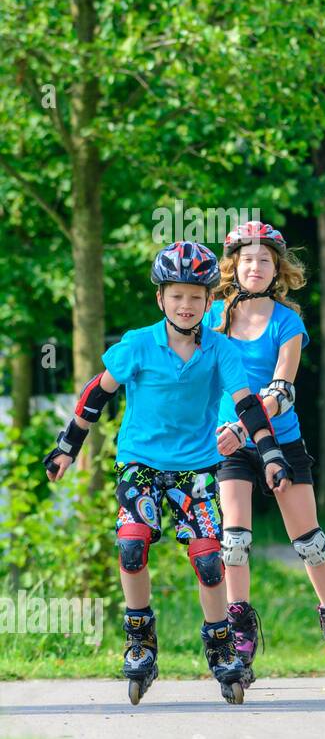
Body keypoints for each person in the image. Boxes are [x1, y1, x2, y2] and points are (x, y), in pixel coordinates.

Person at [44, 241, 291, 705]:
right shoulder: (138, 344)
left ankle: (220, 650)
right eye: (176, 295)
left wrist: (271, 454)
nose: (186, 305)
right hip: (140, 464)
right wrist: (67, 446)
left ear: (208, 301)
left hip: (196, 469)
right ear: (161, 299)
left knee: (209, 559)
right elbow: (97, 393)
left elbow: (248, 408)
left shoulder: (220, 349)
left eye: (196, 297)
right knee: (132, 544)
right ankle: (140, 642)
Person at [209, 221, 325, 685]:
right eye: (247, 259)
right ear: (234, 265)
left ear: (278, 269)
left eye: (265, 261)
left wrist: (241, 424)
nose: (255, 267)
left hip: (280, 440)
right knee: (234, 539)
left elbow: (282, 390)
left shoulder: (287, 320)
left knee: (310, 540)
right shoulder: (213, 316)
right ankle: (237, 624)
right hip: (228, 446)